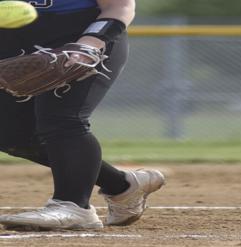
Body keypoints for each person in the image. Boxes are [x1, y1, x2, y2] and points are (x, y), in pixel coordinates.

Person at [0, 0, 164, 231]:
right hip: (11, 42)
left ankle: (74, 206)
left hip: (80, 38)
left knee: (62, 118)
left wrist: (88, 45)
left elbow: (120, 6)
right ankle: (123, 186)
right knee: (12, 136)